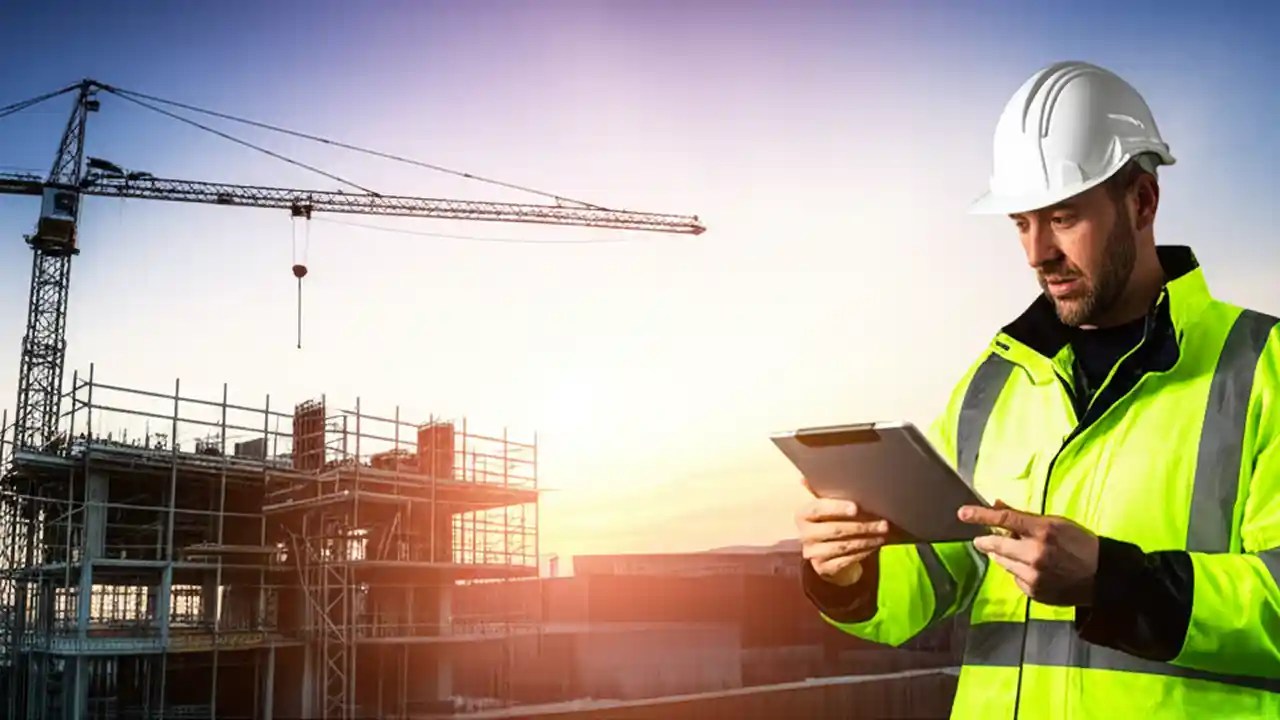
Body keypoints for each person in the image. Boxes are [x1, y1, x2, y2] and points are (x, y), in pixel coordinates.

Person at [795, 60, 1280, 719]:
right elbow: (935, 582)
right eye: (1021, 222)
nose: (1036, 253)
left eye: (1061, 216)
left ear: (1142, 201)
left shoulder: (1262, 369)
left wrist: (1112, 582)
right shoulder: (990, 386)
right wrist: (847, 573)